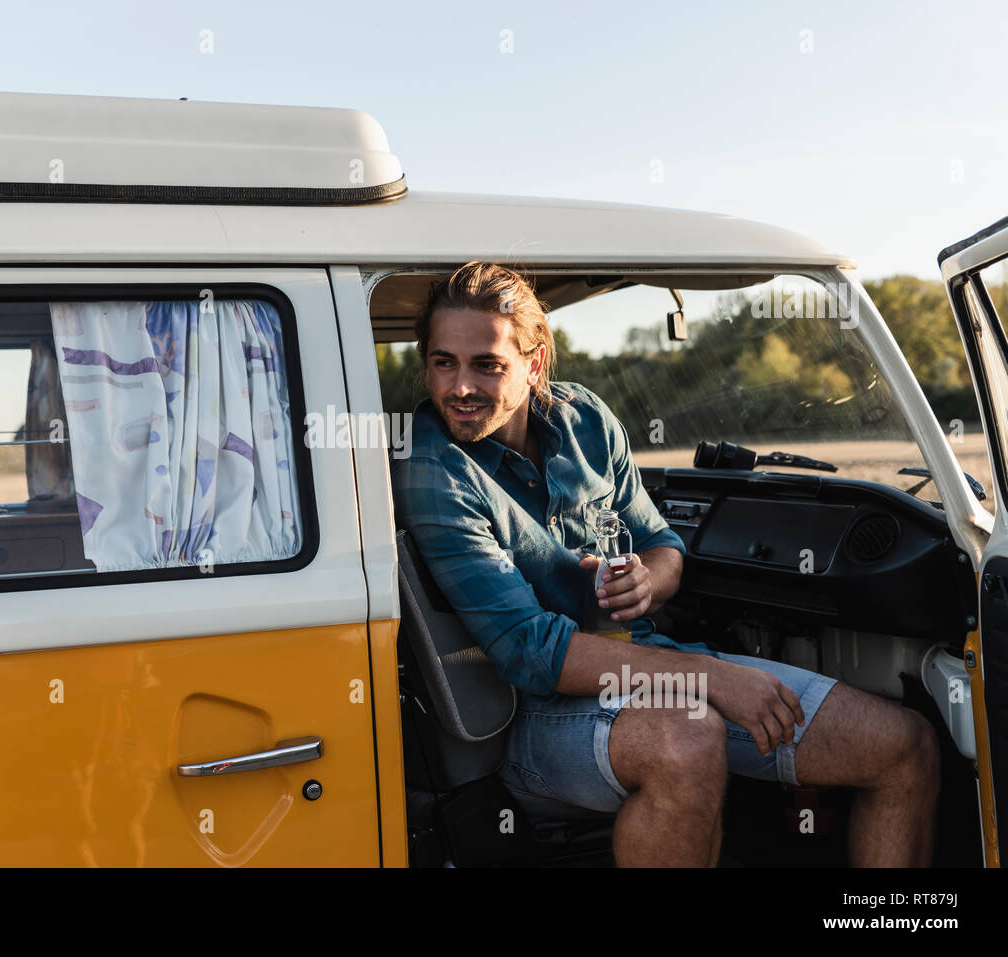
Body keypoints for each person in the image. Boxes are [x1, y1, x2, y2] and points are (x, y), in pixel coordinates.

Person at [390, 261, 941, 866]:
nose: (459, 387)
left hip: (653, 667)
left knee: (904, 746)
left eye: (486, 364)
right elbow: (531, 650)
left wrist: (652, 578)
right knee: (687, 736)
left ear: (535, 362)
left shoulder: (586, 420)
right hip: (528, 719)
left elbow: (662, 540)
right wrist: (718, 680)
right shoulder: (432, 466)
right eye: (444, 362)